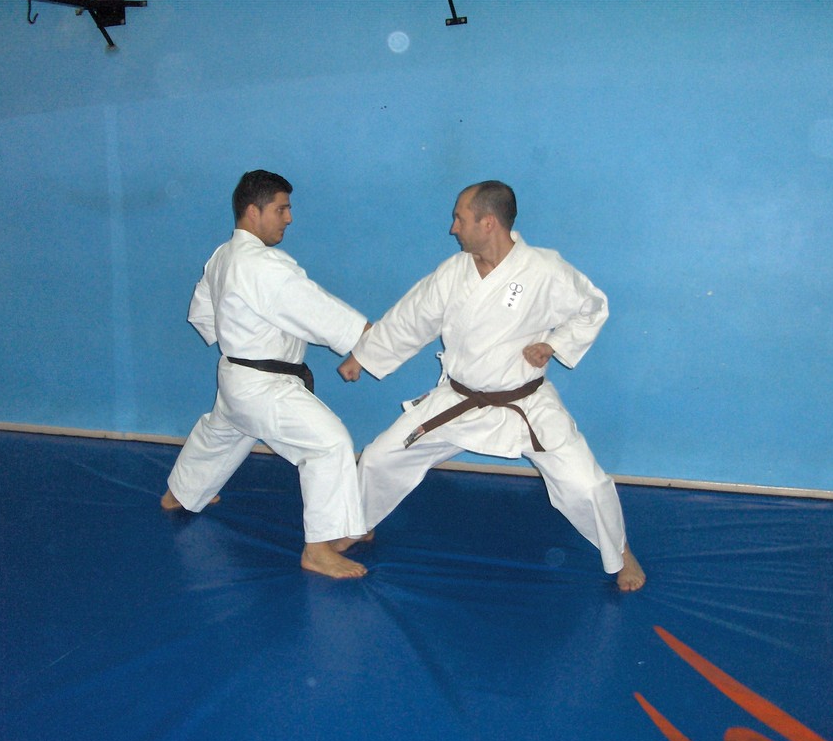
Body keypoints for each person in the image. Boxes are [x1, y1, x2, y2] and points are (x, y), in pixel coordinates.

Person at [338, 180, 645, 591]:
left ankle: (622, 552)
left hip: (525, 403)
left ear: (487, 223)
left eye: (459, 219)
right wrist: (365, 354)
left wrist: (554, 343)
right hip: (459, 399)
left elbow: (592, 307)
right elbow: (413, 318)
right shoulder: (453, 273)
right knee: (378, 458)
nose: (452, 228)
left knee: (585, 484)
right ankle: (358, 525)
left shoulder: (543, 269)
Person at [162, 170, 370, 579]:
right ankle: (320, 548)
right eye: (281, 208)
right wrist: (368, 339)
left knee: (221, 431)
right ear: (253, 211)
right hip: (263, 384)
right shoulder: (261, 264)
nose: (288, 218)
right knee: (329, 445)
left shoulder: (223, 256)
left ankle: (178, 494)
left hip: (237, 373)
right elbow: (315, 308)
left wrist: (241, 335)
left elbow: (203, 314)